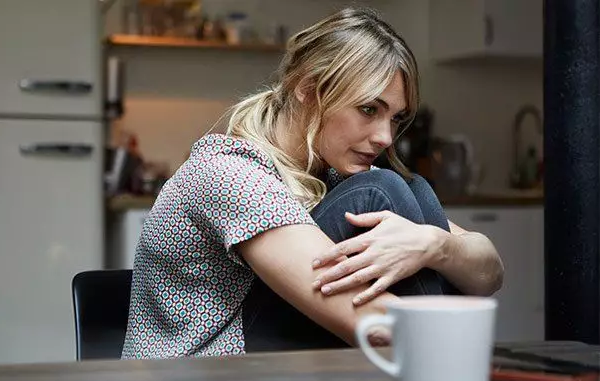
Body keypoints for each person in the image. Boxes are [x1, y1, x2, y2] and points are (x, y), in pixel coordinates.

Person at [121, 7, 504, 359]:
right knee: (383, 189)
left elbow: (490, 272)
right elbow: (374, 326)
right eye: (368, 110)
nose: (386, 137)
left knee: (412, 187)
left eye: (395, 118)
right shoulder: (229, 174)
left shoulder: (337, 171)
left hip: (275, 374)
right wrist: (458, 336)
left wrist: (434, 245)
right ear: (307, 88)